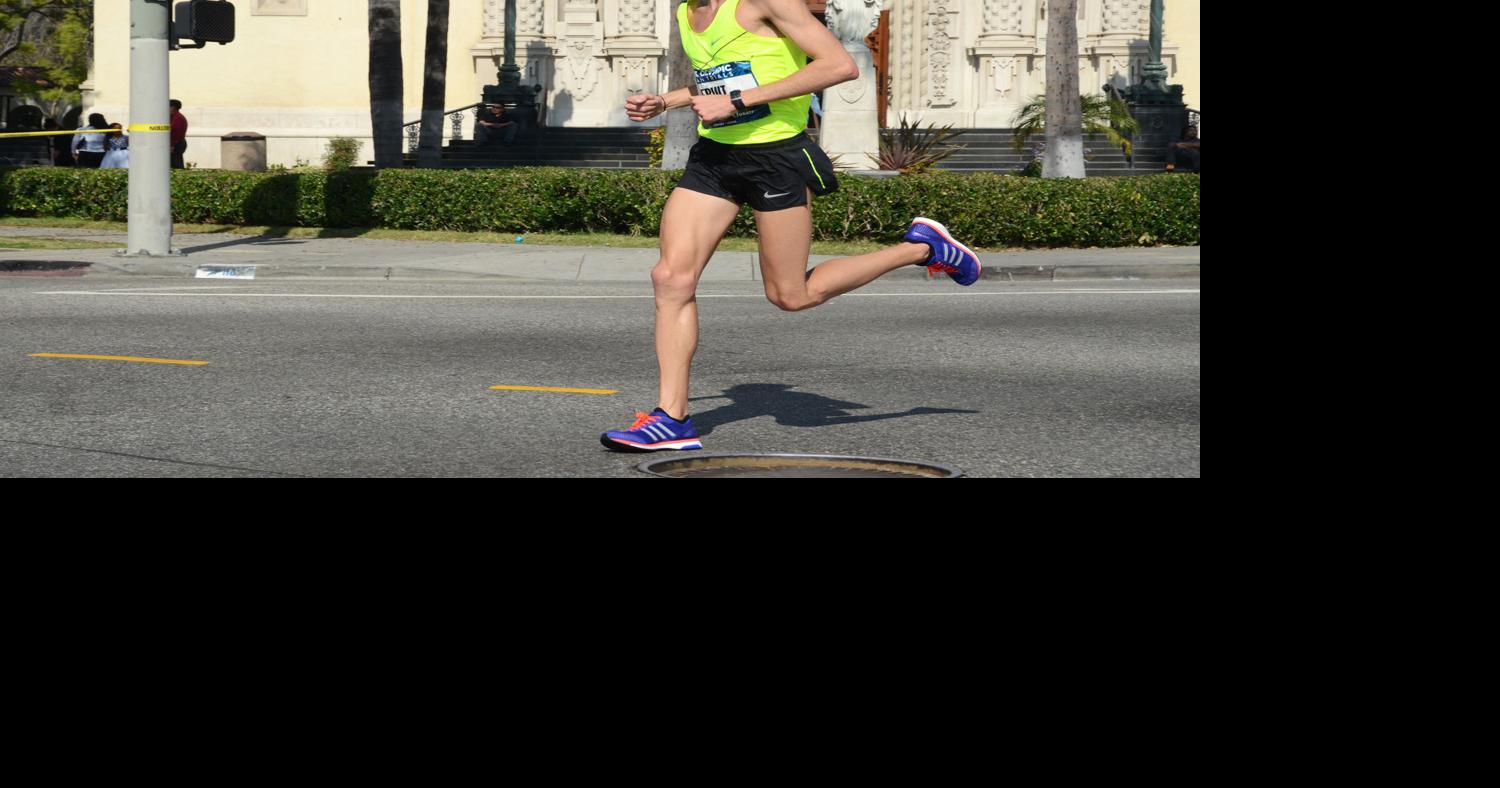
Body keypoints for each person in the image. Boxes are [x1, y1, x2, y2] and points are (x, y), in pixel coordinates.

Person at [600, 0, 980, 453]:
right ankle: (672, 419)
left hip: (776, 159)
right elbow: (726, 78)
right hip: (714, 158)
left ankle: (923, 248)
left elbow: (838, 65)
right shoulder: (687, 12)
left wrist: (736, 102)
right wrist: (667, 101)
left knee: (790, 295)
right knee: (670, 278)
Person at [170, 99, 189, 169]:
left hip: (176, 144)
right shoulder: (175, 117)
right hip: (176, 143)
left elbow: (175, 133)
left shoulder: (178, 118)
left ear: (173, 107)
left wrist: (172, 145)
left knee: (176, 165)